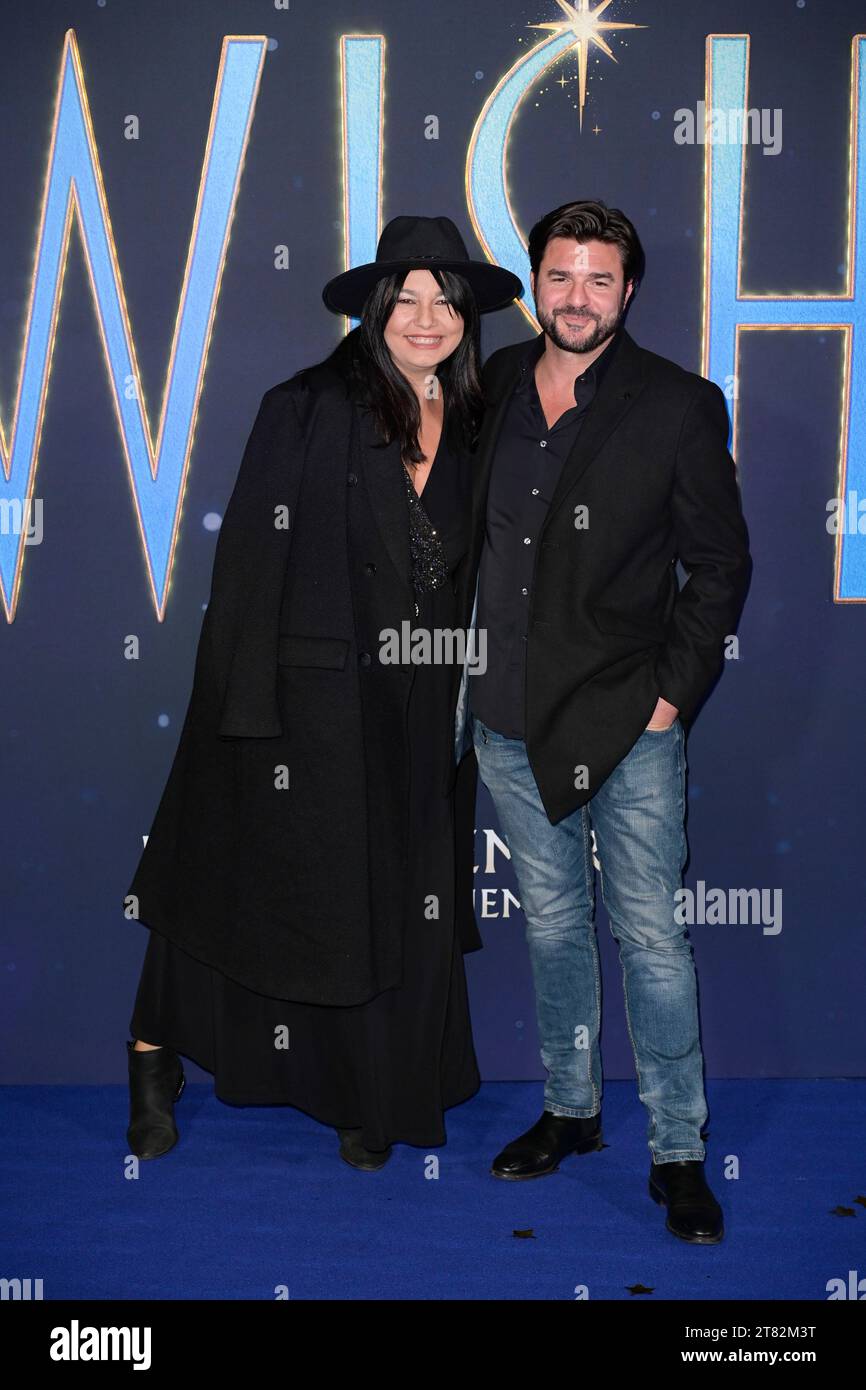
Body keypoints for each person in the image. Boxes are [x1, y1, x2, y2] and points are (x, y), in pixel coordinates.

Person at [123, 215, 522, 1170]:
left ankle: (362, 1089)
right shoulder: (304, 405)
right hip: (313, 709)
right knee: (248, 889)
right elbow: (250, 576)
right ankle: (149, 1060)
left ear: (469, 316)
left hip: (423, 712)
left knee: (388, 905)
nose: (427, 318)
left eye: (446, 301)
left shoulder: (473, 421)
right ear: (376, 308)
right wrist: (246, 717)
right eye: (408, 299)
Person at [456, 200, 751, 1241]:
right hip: (504, 715)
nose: (574, 297)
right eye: (557, 275)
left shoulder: (676, 405)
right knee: (549, 929)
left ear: (627, 291)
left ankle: (676, 1149)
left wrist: (668, 700)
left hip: (626, 721)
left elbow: (717, 568)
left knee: (652, 941)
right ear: (533, 280)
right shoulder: (488, 386)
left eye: (597, 279)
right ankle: (571, 1112)